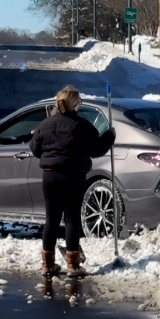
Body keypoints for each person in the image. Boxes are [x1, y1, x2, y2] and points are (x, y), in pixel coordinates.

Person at [29, 85, 116, 277]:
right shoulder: (81, 125)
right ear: (75, 105)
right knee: (71, 219)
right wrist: (110, 136)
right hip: (73, 177)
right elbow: (96, 149)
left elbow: (35, 149)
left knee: (51, 219)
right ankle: (73, 266)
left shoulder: (46, 124)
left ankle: (47, 264)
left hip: (50, 176)